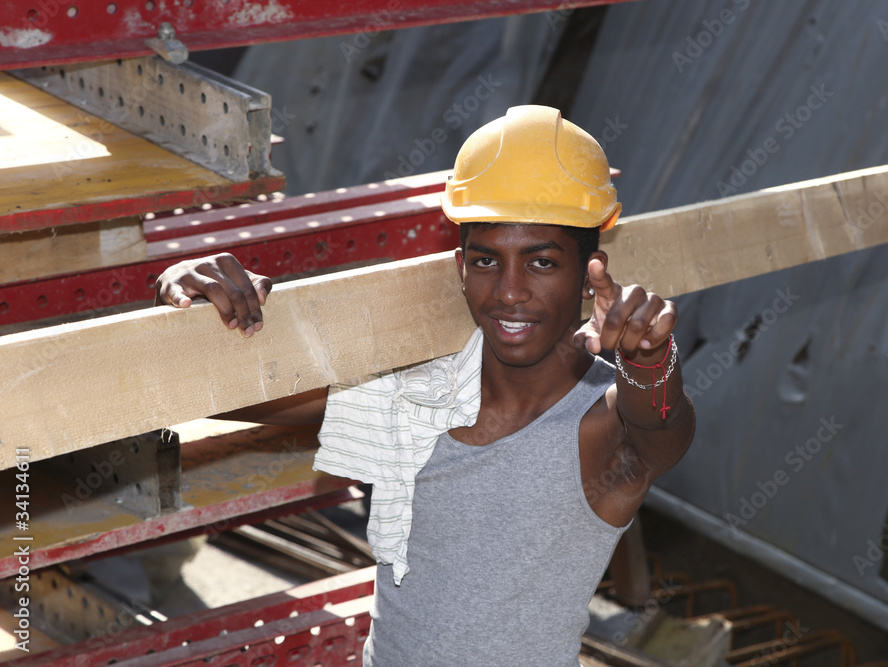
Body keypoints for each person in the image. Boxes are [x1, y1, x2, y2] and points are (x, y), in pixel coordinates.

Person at [154, 105, 695, 666]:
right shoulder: (412, 391)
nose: (509, 291)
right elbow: (222, 390)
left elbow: (663, 429)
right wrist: (186, 300)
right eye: (488, 261)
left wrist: (651, 360)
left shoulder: (602, 426)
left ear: (590, 274)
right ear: (460, 267)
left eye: (541, 263)